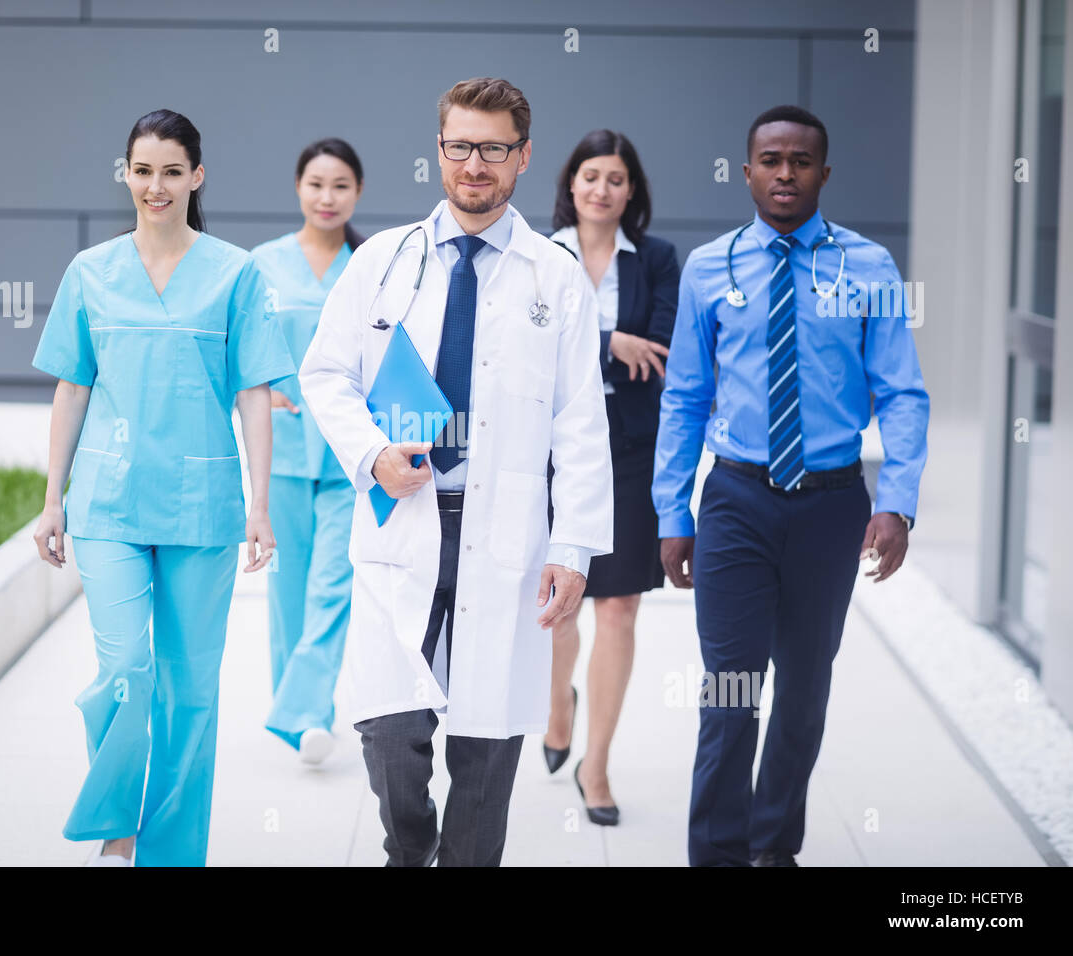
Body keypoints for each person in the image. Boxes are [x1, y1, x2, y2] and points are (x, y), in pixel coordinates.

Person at [299, 76, 613, 867]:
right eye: (461, 146)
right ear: (439, 149)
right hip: (405, 519)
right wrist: (371, 453)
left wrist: (573, 547)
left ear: (523, 157)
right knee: (389, 730)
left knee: (486, 747)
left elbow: (581, 421)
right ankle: (409, 851)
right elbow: (325, 374)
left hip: (504, 532)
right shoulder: (382, 261)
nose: (476, 164)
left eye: (494, 149)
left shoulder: (554, 277)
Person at [653, 104, 929, 867]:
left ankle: (774, 847)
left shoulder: (869, 268)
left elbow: (902, 393)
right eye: (771, 161)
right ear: (747, 172)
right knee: (731, 693)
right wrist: (672, 511)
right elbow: (684, 398)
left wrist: (897, 501)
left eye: (800, 162)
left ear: (823, 173)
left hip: (831, 506)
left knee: (804, 693)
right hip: (736, 501)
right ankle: (717, 854)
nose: (785, 174)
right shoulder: (709, 268)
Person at [30, 109, 294, 867]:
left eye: (172, 171)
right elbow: (72, 387)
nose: (156, 186)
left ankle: (172, 855)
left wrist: (260, 505)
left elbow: (253, 393)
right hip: (107, 504)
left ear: (196, 177)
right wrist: (52, 499)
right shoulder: (91, 272)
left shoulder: (235, 273)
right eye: (143, 170)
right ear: (127, 174)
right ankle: (117, 829)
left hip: (201, 507)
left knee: (191, 691)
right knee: (125, 671)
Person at [543, 130, 679, 826]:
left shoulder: (656, 260)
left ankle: (595, 765)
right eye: (591, 175)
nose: (602, 189)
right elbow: (527, 348)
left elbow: (657, 351)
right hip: (548, 450)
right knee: (558, 603)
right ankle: (556, 701)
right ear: (571, 183)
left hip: (629, 450)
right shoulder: (538, 255)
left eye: (616, 179)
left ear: (632, 192)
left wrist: (596, 347)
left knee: (618, 607)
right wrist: (607, 343)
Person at [250, 138, 365, 765]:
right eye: (317, 184)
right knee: (288, 591)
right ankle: (307, 720)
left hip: (348, 451)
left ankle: (303, 710)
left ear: (358, 193)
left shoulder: (369, 265)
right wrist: (257, 393)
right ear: (298, 187)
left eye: (340, 185)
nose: (328, 197)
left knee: (333, 588)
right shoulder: (262, 264)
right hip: (285, 449)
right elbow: (236, 348)